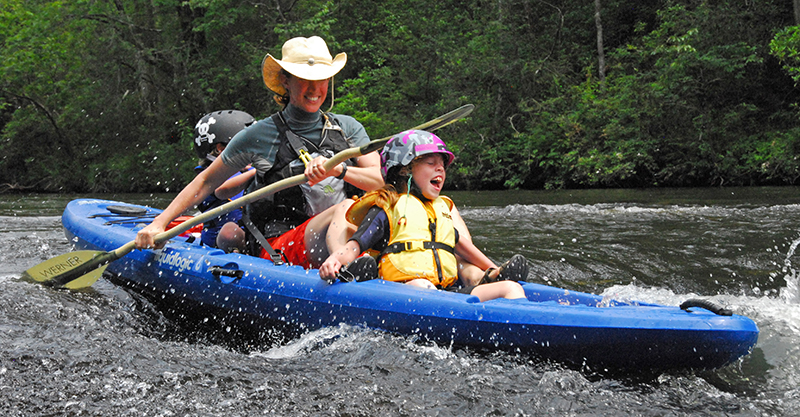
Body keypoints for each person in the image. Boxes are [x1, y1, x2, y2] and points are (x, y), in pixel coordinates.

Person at [135, 36, 383, 266]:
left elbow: (379, 181)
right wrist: (160, 223)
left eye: (322, 79)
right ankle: (347, 266)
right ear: (285, 81)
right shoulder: (257, 136)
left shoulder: (348, 128)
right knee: (344, 208)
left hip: (349, 237)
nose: (314, 88)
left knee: (363, 209)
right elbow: (206, 183)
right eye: (304, 78)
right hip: (280, 246)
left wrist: (338, 171)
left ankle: (363, 264)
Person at [318, 130, 528, 302]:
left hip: (446, 295)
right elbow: (356, 244)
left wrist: (492, 268)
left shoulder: (436, 212)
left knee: (510, 288)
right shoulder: (387, 208)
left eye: (442, 165)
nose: (441, 168)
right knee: (422, 286)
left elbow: (463, 246)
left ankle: (524, 329)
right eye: (430, 163)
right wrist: (335, 260)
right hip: (404, 291)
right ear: (404, 171)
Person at [192, 110, 256, 252]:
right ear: (221, 149)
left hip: (251, 239)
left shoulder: (246, 171)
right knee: (230, 231)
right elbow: (222, 189)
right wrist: (255, 172)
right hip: (218, 246)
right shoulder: (210, 177)